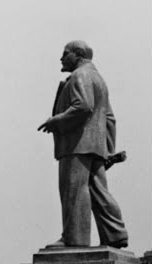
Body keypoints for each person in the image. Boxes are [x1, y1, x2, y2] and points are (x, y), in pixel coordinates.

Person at [36, 40, 128, 249]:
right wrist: (108, 150)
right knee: (98, 191)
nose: (61, 58)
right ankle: (115, 234)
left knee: (73, 191)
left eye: (65, 53)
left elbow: (83, 107)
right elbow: (110, 118)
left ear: (78, 54)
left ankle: (74, 239)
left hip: (76, 144)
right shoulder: (98, 79)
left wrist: (56, 121)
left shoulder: (80, 75)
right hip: (95, 147)